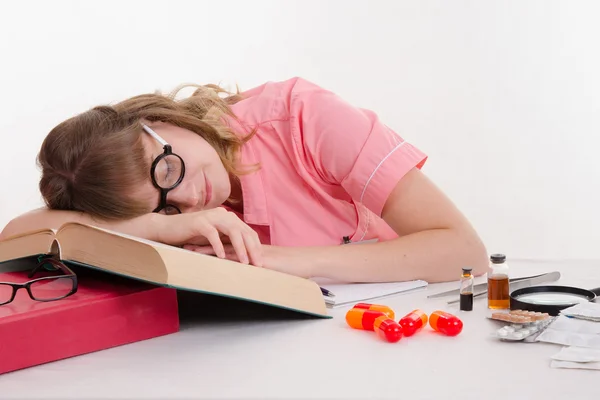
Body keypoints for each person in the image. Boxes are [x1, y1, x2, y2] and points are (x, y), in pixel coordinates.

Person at [0, 77, 488, 283]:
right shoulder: (178, 214)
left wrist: (284, 262)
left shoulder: (302, 116)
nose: (192, 197)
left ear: (157, 118)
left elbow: (465, 251)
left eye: (167, 168)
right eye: (166, 206)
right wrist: (158, 227)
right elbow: (16, 237)